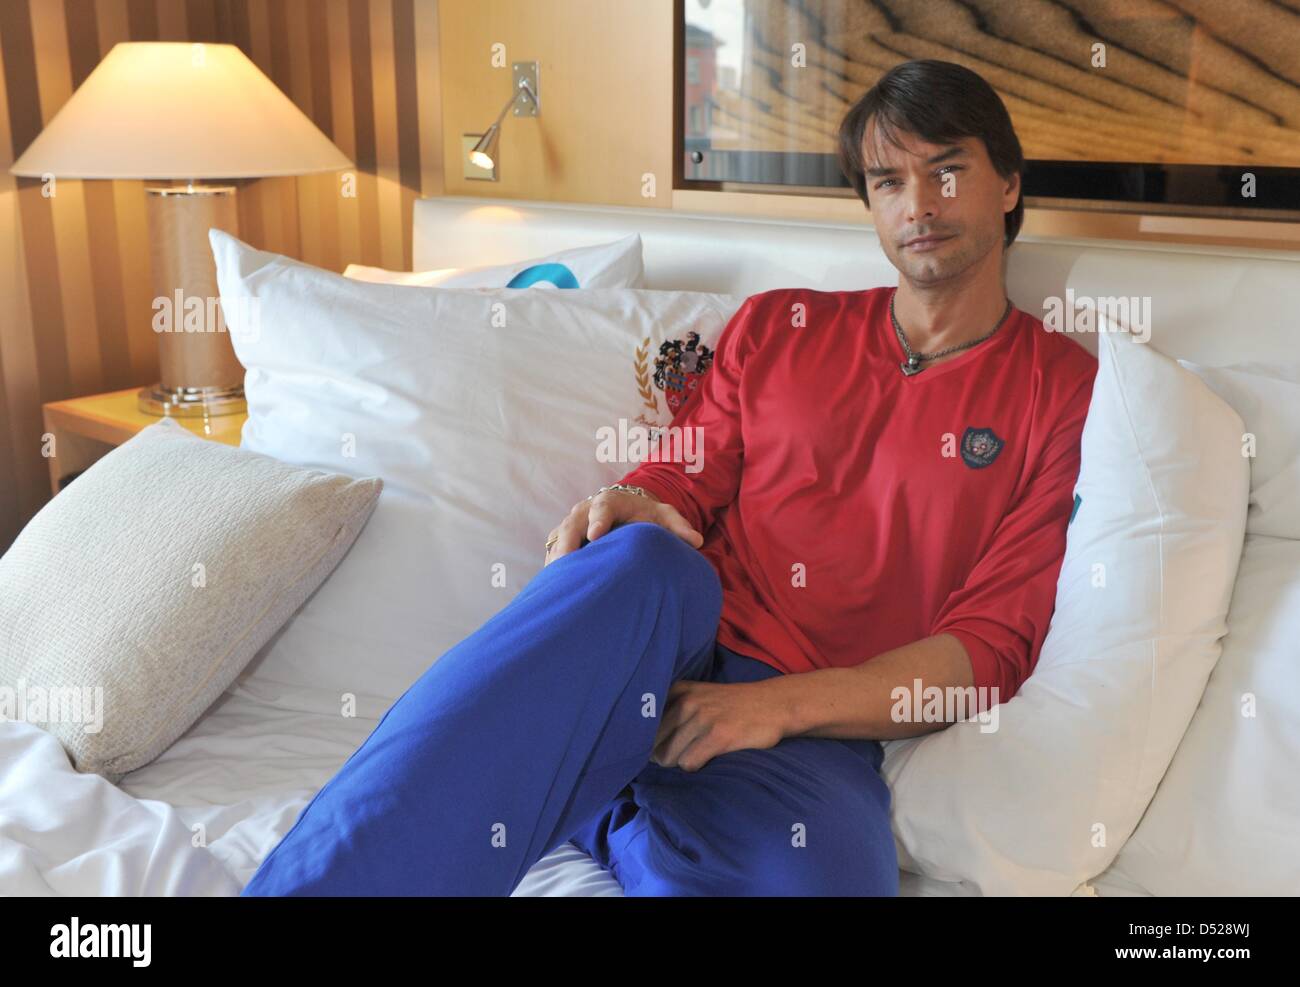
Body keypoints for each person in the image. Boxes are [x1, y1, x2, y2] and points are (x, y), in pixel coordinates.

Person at [241, 59, 1098, 898]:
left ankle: (607, 802)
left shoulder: (1060, 390)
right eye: (887, 181)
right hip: (668, 632)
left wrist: (775, 709)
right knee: (639, 559)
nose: (918, 205)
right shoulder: (783, 325)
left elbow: (989, 647)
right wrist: (635, 499)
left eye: (946, 172)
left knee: (832, 877)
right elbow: (683, 477)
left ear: (1009, 184)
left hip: (815, 719)